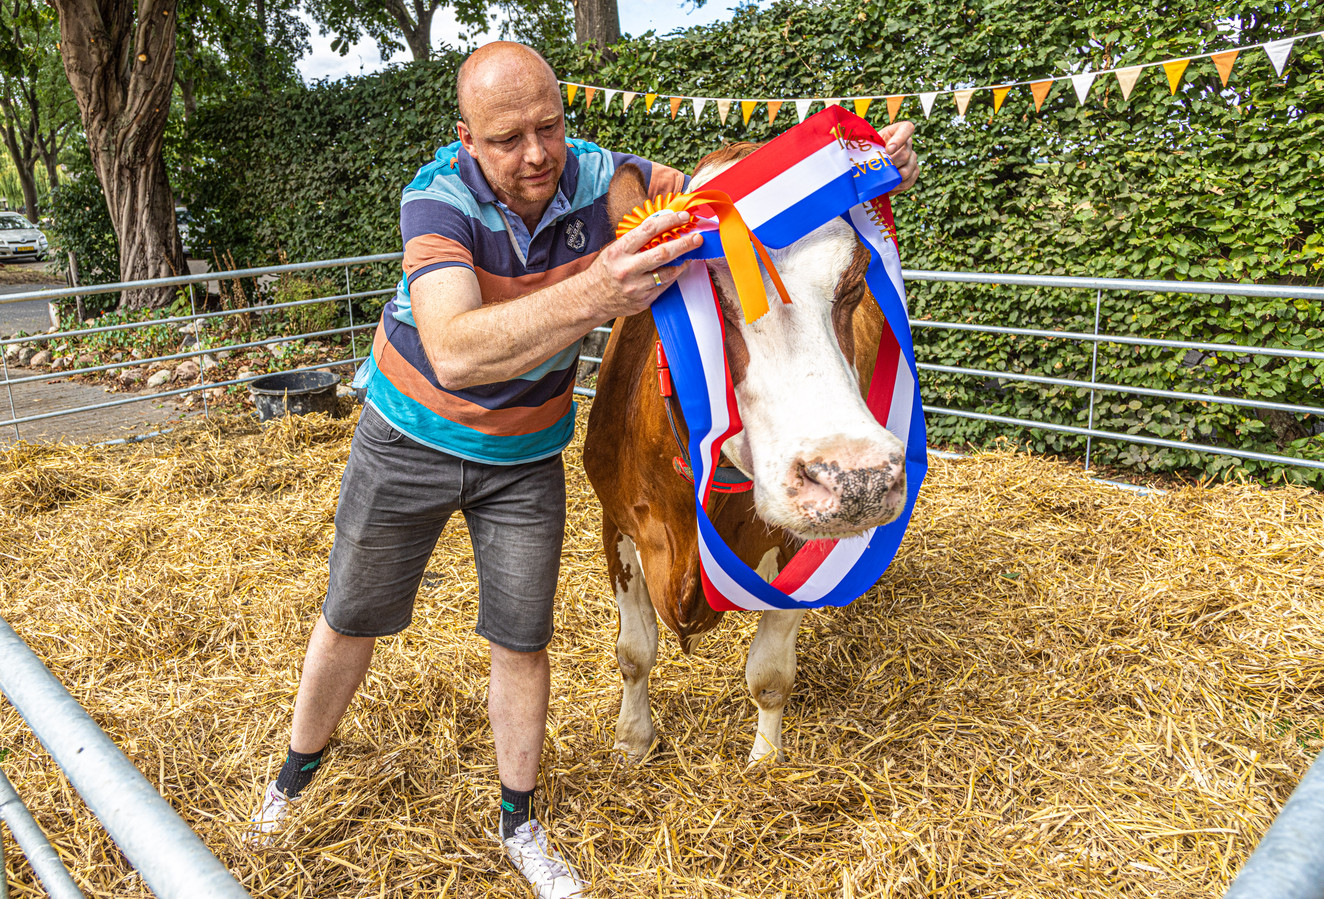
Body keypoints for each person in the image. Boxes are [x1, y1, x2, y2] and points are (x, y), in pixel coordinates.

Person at [249, 41, 918, 899]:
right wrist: (601, 289)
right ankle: (293, 778)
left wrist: (856, 162)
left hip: (525, 454)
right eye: (506, 138)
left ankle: (519, 824)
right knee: (352, 616)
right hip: (410, 435)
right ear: (466, 139)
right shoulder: (435, 199)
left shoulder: (606, 179)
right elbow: (453, 351)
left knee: (522, 638)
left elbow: (735, 190)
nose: (534, 154)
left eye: (548, 127)